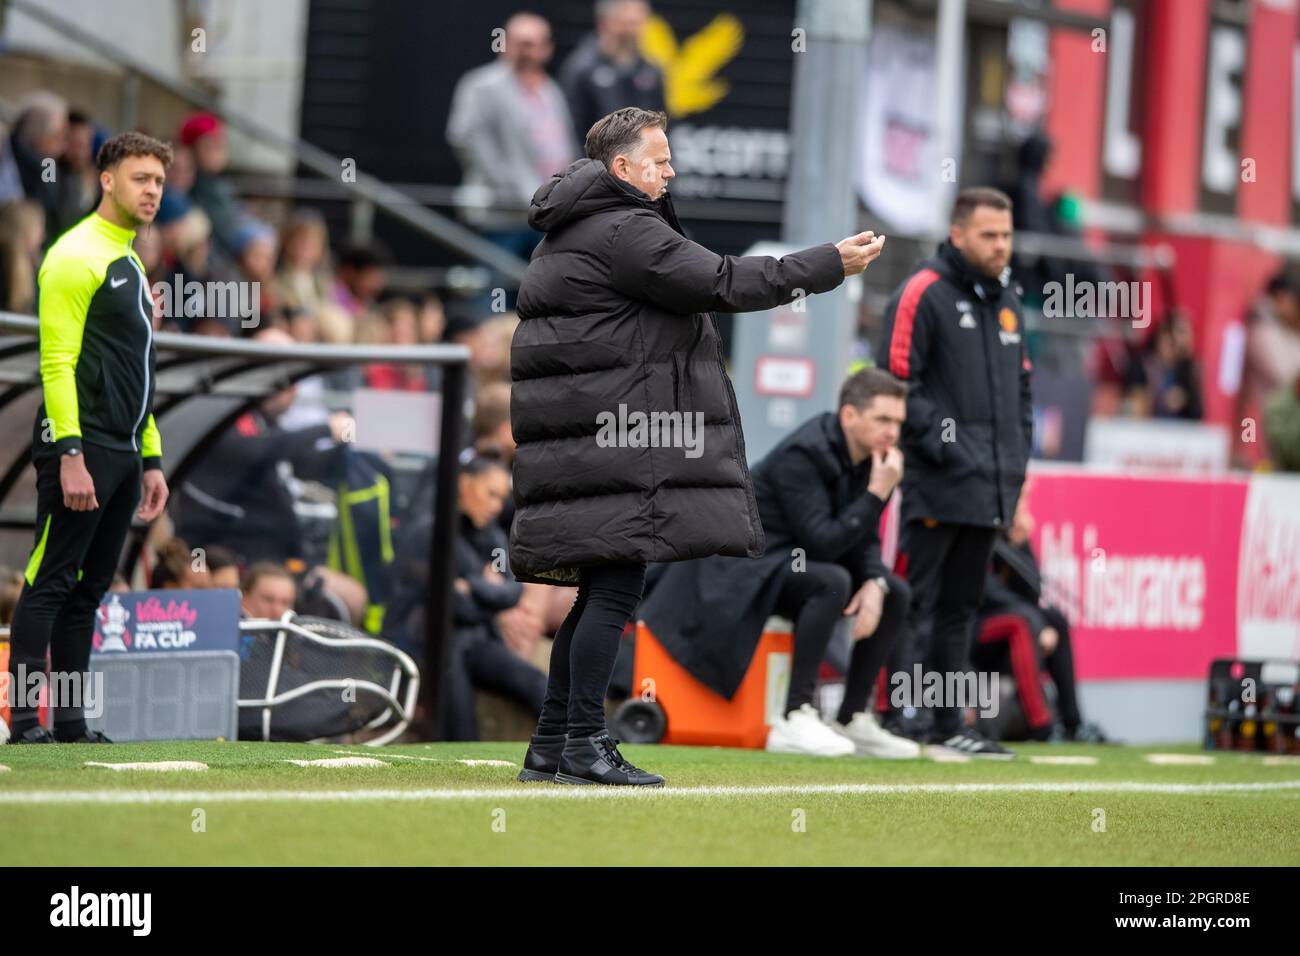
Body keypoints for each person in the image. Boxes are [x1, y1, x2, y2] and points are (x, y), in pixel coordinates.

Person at [509, 107, 886, 785]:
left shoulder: (573, 229)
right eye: (659, 160)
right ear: (621, 169)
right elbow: (725, 282)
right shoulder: (626, 228)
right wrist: (828, 264)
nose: (671, 169)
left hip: (589, 439)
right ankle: (585, 743)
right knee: (615, 590)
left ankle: (553, 743)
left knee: (598, 589)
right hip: (615, 443)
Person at [640, 368, 919, 759]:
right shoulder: (806, 453)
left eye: (898, 422)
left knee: (896, 590)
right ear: (850, 416)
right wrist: (876, 493)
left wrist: (875, 581)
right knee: (831, 580)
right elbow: (821, 541)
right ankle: (795, 714)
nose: (892, 431)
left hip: (786, 565)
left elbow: (864, 537)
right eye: (883, 419)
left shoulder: (872, 459)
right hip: (741, 569)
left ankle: (852, 716)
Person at [5, 132, 173, 744]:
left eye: (158, 181)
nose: (151, 190)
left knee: (90, 591)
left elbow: (141, 374)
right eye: (140, 178)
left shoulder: (129, 260)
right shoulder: (75, 255)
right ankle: (24, 724)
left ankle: (71, 723)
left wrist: (150, 459)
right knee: (50, 580)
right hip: (83, 448)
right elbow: (56, 363)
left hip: (124, 453)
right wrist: (70, 453)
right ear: (107, 179)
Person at [879, 186, 1031, 758]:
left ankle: (948, 723)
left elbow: (1022, 391)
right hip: (936, 483)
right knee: (914, 602)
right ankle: (899, 715)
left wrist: (1013, 467)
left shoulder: (1010, 300)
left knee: (962, 608)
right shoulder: (922, 292)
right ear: (959, 233)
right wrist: (954, 449)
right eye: (990, 235)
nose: (1001, 246)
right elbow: (895, 383)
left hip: (990, 488)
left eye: (1007, 235)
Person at [971, 486, 1107, 743]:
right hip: (972, 627)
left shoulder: (1011, 534)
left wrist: (1020, 544)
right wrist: (1035, 623)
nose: (1024, 505)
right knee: (1023, 623)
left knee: (1055, 618)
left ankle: (1072, 723)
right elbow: (985, 592)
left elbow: (1033, 591)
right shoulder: (980, 527)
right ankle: (1042, 725)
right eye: (1021, 498)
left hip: (1006, 627)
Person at [446, 12, 578, 250]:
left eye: (530, 43)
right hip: (501, 213)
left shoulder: (551, 90)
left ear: (547, 48)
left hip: (547, 214)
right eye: (517, 42)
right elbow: (465, 138)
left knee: (539, 284)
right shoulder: (482, 84)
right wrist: (510, 189)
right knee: (493, 282)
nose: (524, 50)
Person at [559, 0, 665, 139]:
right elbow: (569, 128)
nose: (635, 31)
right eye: (628, 23)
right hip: (596, 156)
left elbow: (661, 124)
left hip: (640, 156)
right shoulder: (582, 69)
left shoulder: (650, 70)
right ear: (604, 23)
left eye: (640, 22)